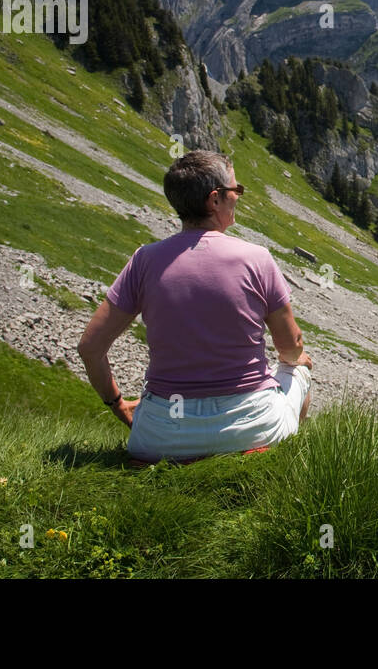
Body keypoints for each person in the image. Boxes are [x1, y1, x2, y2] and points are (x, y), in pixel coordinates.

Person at [77, 150, 313, 464]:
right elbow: (290, 345)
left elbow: (90, 347)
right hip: (250, 426)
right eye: (236, 191)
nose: (238, 198)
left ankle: (175, 452)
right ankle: (280, 459)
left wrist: (118, 404)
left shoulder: (144, 260)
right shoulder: (256, 258)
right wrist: (299, 359)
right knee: (298, 368)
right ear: (215, 200)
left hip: (159, 436)